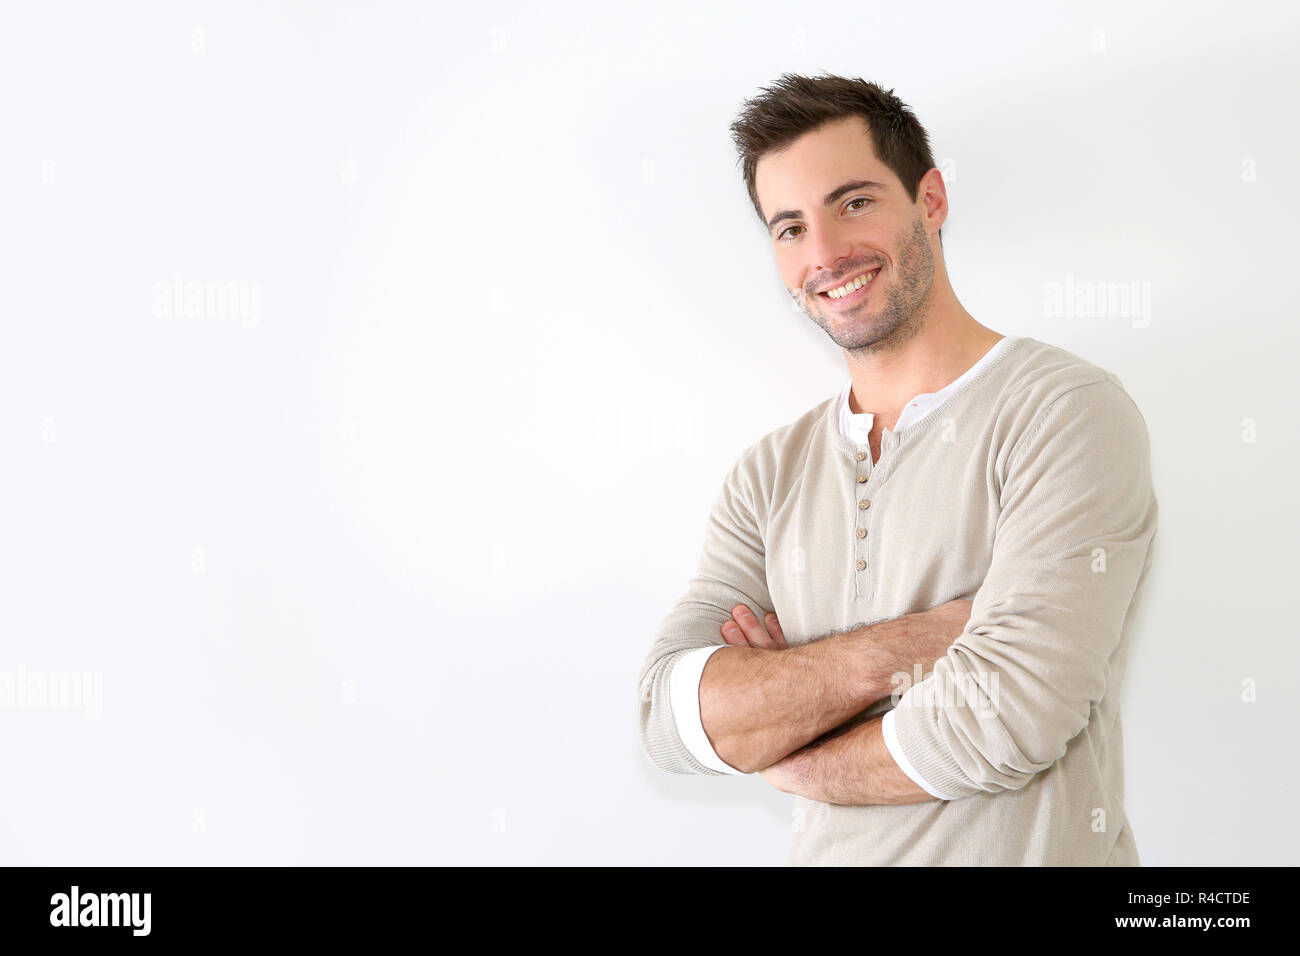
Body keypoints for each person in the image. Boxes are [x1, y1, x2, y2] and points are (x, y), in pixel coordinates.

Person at [635, 73, 1159, 866]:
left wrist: (784, 740)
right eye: (788, 227)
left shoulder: (1064, 412)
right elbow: (670, 720)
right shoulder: (767, 476)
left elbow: (1006, 718)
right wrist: (929, 638)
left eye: (854, 203)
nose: (824, 255)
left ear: (932, 200)